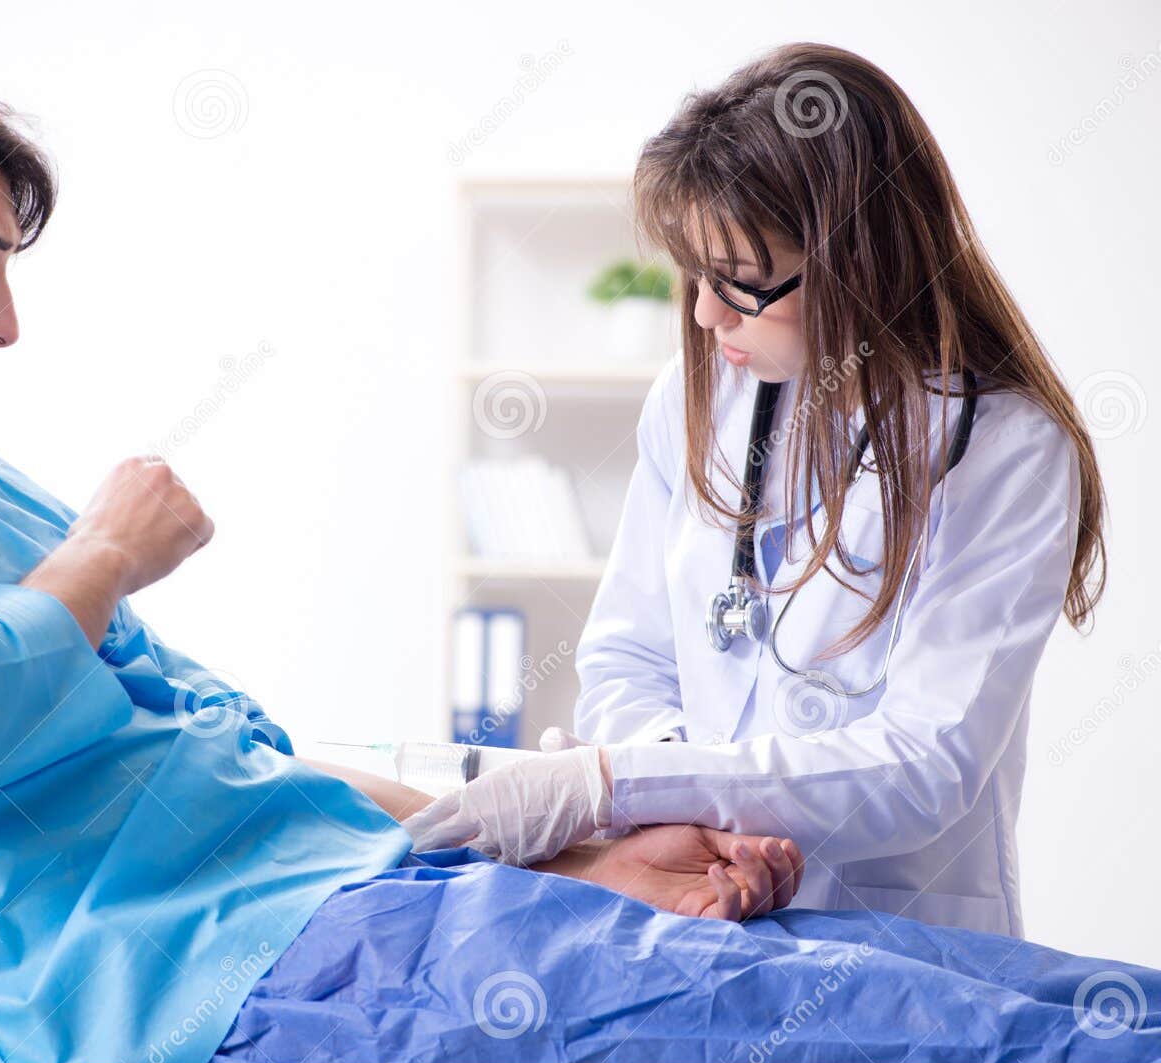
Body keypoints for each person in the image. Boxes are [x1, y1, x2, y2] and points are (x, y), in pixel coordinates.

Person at [0, 37, 804, 1063]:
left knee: (898, 981)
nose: (2, 323)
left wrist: (563, 854)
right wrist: (102, 553)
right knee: (936, 1053)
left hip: (356, 908)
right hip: (235, 993)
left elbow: (234, 756)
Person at [403, 43, 1107, 939]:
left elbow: (927, 762)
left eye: (740, 282)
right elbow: (630, 660)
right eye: (692, 275)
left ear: (864, 258)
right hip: (699, 903)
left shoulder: (1003, 450)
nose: (705, 315)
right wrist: (682, 806)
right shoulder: (700, 399)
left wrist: (614, 785)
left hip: (898, 936)